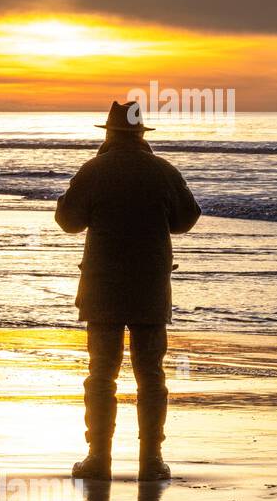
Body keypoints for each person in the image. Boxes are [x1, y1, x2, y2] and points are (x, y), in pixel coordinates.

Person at [55, 100, 201, 481]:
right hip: (150, 288)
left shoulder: (93, 170)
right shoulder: (162, 170)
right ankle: (151, 461)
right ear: (140, 135)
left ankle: (98, 459)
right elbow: (188, 218)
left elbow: (67, 221)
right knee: (151, 374)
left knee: (102, 374)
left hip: (102, 289)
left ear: (108, 134)